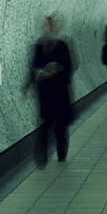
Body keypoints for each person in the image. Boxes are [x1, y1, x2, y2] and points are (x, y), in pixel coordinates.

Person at [29, 15, 75, 164]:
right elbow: (34, 66)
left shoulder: (62, 44)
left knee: (60, 124)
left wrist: (57, 71)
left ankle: (62, 152)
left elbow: (70, 65)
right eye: (46, 26)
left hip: (60, 90)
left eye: (50, 26)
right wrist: (40, 74)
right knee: (46, 122)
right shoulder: (38, 45)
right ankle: (42, 153)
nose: (48, 29)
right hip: (45, 91)